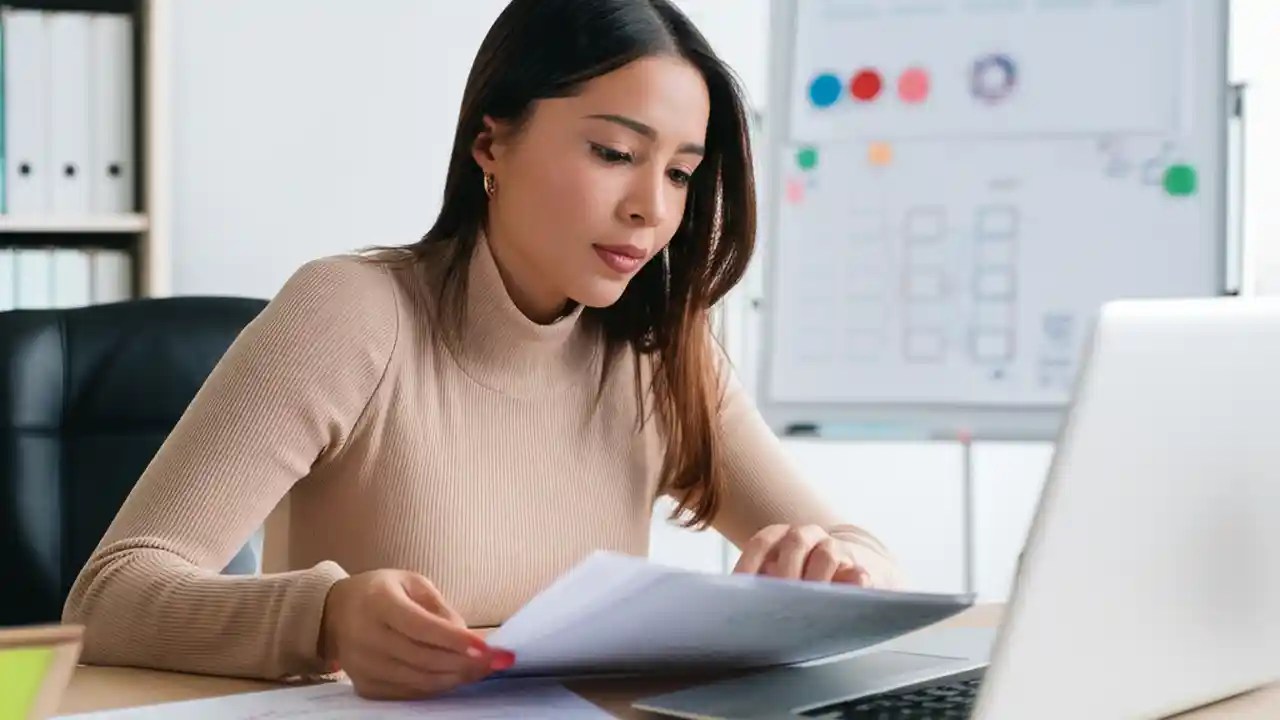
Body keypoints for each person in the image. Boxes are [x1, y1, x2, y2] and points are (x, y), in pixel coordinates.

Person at [62, 0, 900, 701]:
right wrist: (326, 617)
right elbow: (110, 596)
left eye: (680, 172)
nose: (652, 206)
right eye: (614, 153)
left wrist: (837, 565)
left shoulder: (658, 354)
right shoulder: (352, 313)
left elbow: (865, 555)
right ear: (491, 143)